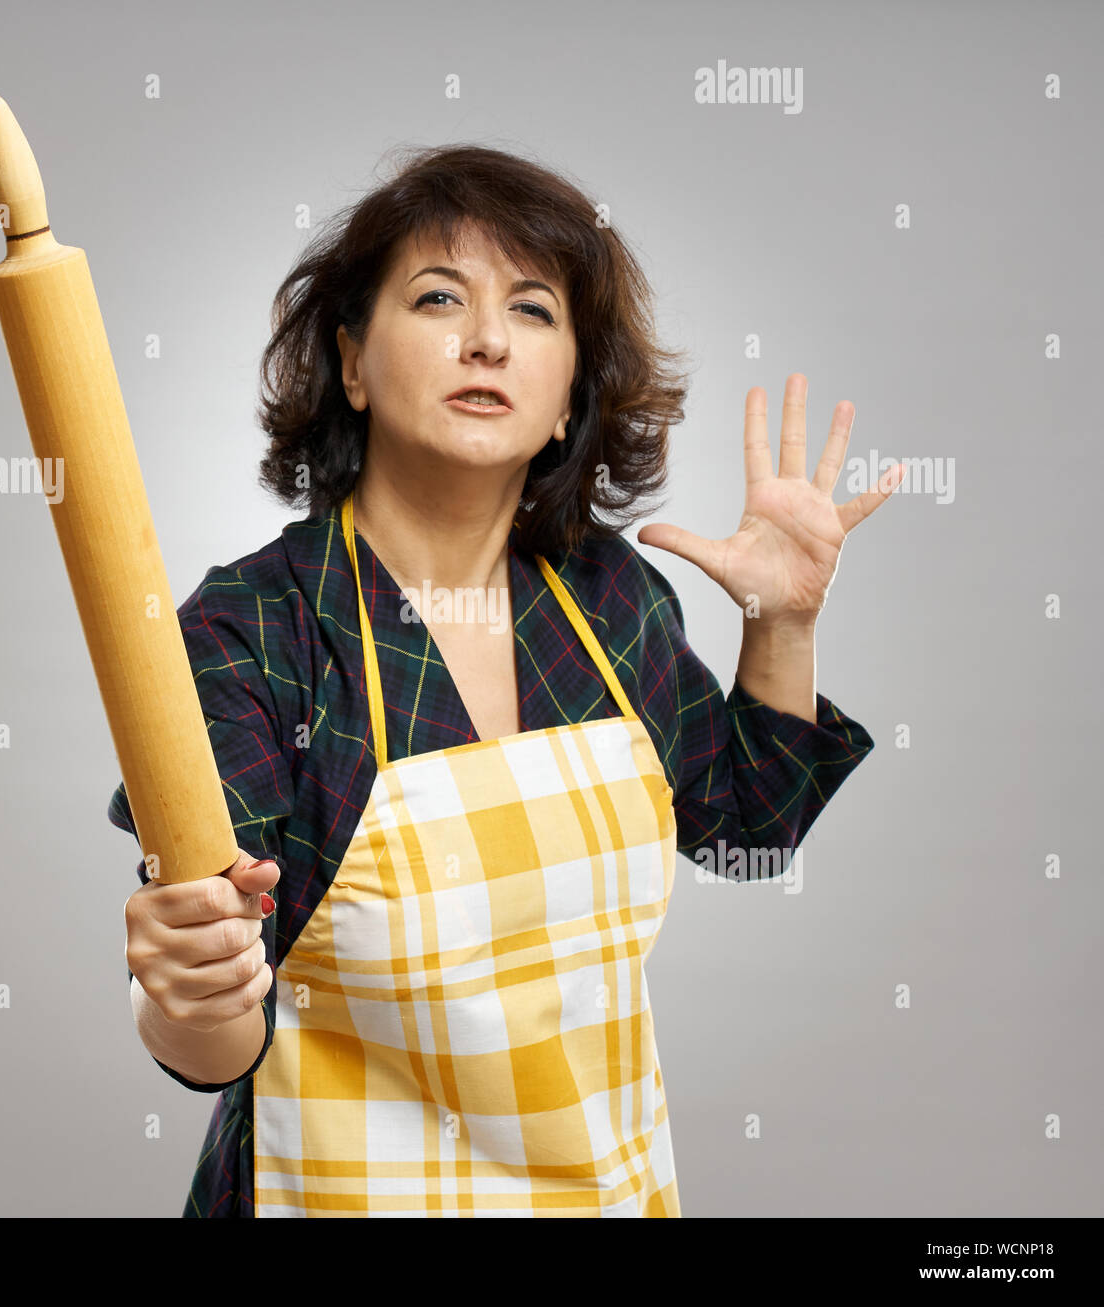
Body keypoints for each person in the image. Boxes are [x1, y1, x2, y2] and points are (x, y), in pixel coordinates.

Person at [111, 143, 895, 1218]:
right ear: (351, 362)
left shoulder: (606, 598)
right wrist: (190, 987)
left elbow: (742, 828)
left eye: (532, 310)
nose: (485, 338)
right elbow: (215, 1031)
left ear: (569, 393)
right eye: (439, 297)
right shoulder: (255, 629)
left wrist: (783, 619)